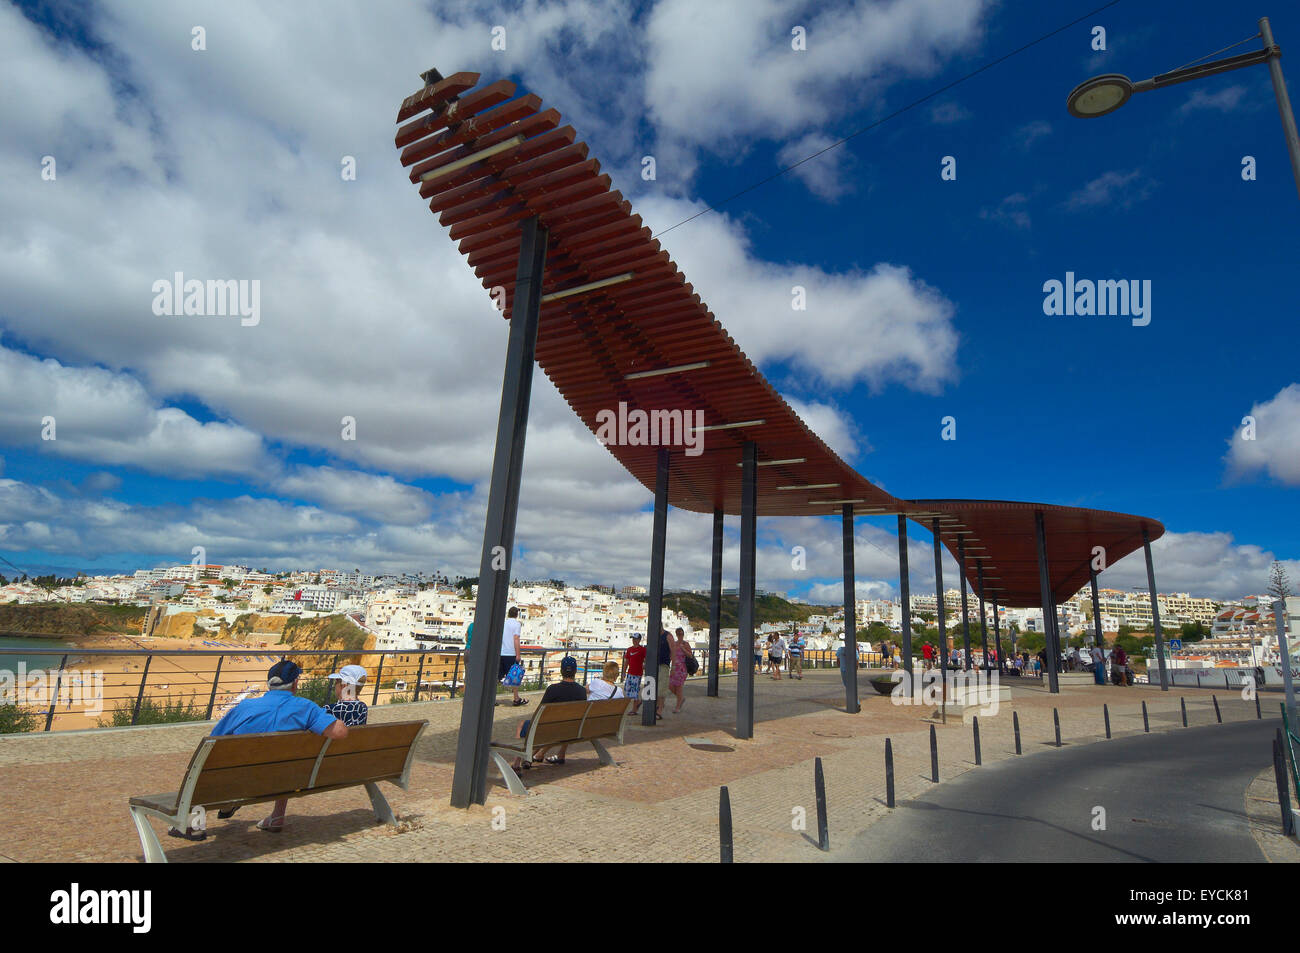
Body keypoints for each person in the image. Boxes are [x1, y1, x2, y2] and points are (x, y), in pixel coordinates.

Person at [178, 660, 347, 838]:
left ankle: (193, 825)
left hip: (237, 783)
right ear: (295, 683)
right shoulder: (306, 708)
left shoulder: (245, 707)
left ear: (269, 684)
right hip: (283, 782)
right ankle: (277, 816)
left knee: (205, 766)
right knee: (285, 759)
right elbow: (340, 732)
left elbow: (213, 741)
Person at [515, 655, 587, 770]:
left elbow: (540, 713)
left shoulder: (553, 689)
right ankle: (535, 756)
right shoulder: (582, 691)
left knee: (522, 724)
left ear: (562, 671)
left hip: (549, 729)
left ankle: (518, 762)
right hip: (572, 730)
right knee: (564, 723)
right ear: (575, 671)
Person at [501, 606, 527, 707]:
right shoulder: (517, 624)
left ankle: (492, 699)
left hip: (501, 652)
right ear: (517, 614)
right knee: (514, 676)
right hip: (510, 653)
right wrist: (518, 654)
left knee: (497, 676)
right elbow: (516, 639)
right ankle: (516, 698)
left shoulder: (503, 623)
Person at [668, 627, 693, 712]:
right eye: (678, 633)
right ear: (676, 634)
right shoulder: (674, 644)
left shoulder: (685, 644)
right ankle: (681, 698)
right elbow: (671, 655)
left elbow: (690, 655)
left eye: (681, 633)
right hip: (674, 667)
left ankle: (678, 707)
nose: (680, 635)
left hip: (682, 668)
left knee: (679, 687)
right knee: (670, 686)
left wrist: (683, 649)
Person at [621, 633, 645, 715]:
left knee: (635, 691)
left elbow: (646, 660)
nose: (634, 641)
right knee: (627, 690)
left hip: (637, 674)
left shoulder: (642, 650)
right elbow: (626, 661)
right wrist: (623, 672)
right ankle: (637, 702)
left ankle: (634, 709)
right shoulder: (629, 649)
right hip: (630, 673)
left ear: (639, 640)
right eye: (633, 639)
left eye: (635, 639)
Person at [656, 629, 673, 721]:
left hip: (663, 665)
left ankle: (660, 710)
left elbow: (673, 650)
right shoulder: (655, 636)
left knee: (661, 689)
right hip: (654, 665)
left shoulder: (668, 635)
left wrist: (672, 665)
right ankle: (658, 706)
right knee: (654, 688)